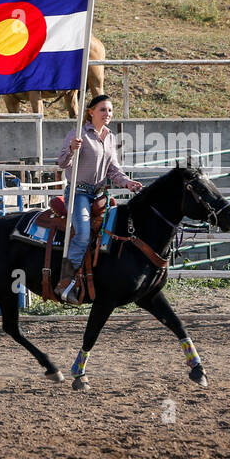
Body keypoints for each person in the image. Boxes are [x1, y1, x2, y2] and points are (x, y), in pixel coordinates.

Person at [54, 94, 143, 303]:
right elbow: (62, 164)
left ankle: (105, 278)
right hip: (79, 192)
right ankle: (65, 282)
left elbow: (113, 170)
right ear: (91, 111)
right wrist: (71, 150)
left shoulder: (110, 137)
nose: (107, 114)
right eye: (103, 110)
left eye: (110, 110)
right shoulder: (78, 134)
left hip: (100, 195)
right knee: (83, 234)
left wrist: (127, 183)